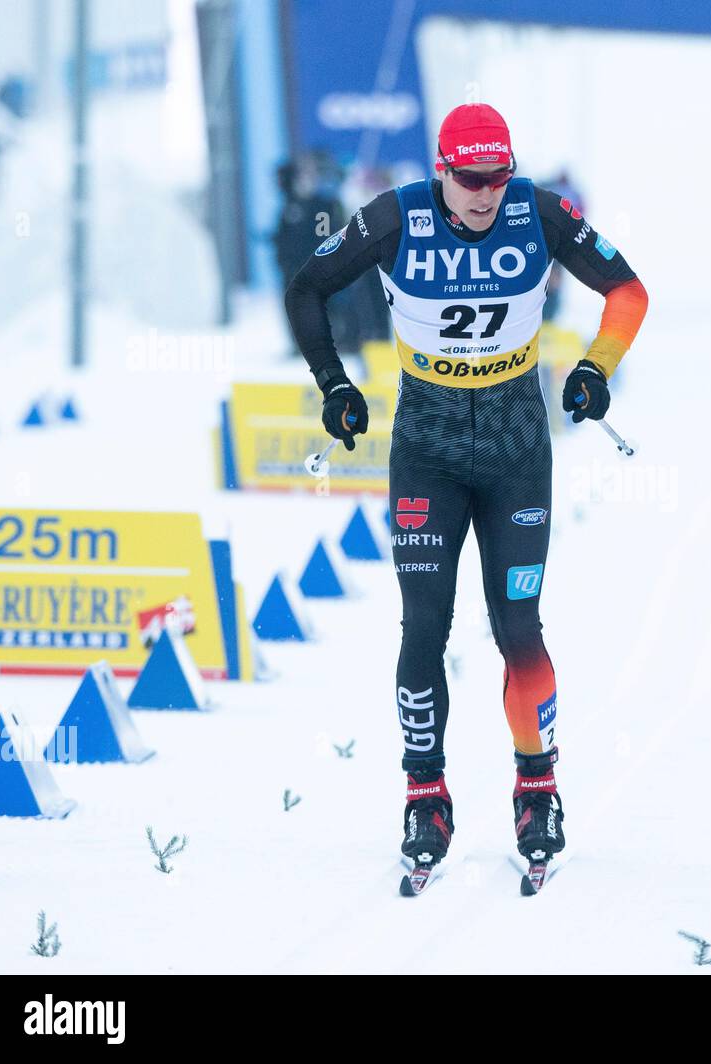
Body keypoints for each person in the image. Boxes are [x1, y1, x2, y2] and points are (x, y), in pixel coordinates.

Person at [284, 103, 648, 880]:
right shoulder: (395, 217)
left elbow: (629, 292)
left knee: (518, 626)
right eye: (472, 179)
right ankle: (425, 795)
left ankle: (537, 786)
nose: (487, 194)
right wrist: (333, 384)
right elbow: (306, 288)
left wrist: (594, 368)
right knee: (424, 628)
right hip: (428, 450)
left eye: (499, 177)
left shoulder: (539, 212)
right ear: (442, 170)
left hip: (518, 448)